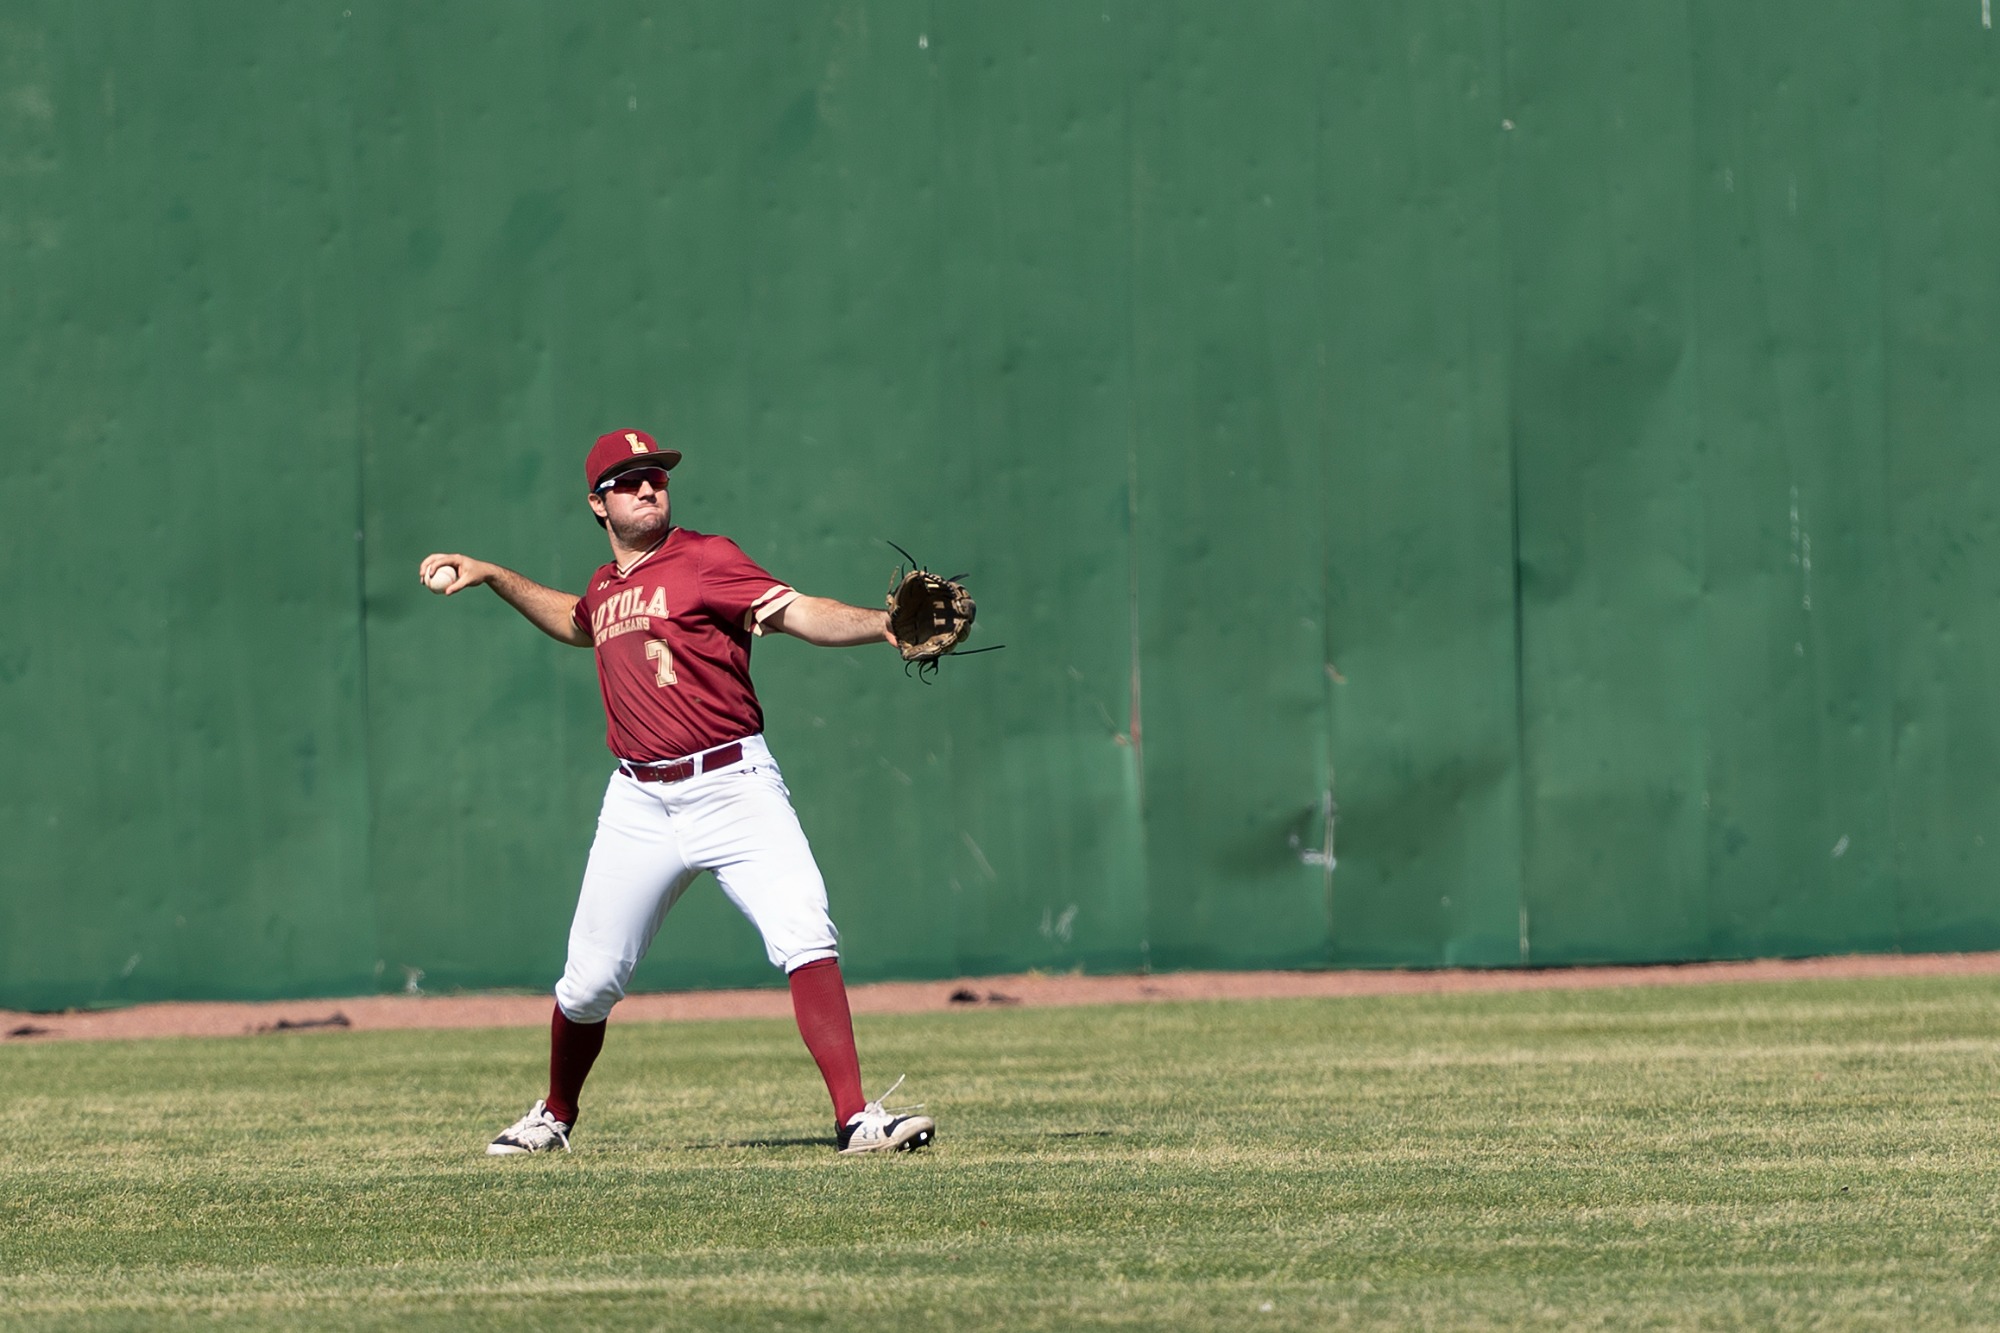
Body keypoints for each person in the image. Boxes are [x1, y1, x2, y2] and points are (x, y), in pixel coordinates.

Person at [418, 428, 935, 1156]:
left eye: (655, 475)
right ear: (598, 504)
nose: (648, 486)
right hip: (638, 801)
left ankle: (857, 1118)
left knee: (805, 929)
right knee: (588, 982)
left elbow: (798, 611)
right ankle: (554, 1115)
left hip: (733, 782)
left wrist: (883, 625)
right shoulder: (605, 589)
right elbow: (576, 621)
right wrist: (493, 574)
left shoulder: (707, 558)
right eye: (628, 480)